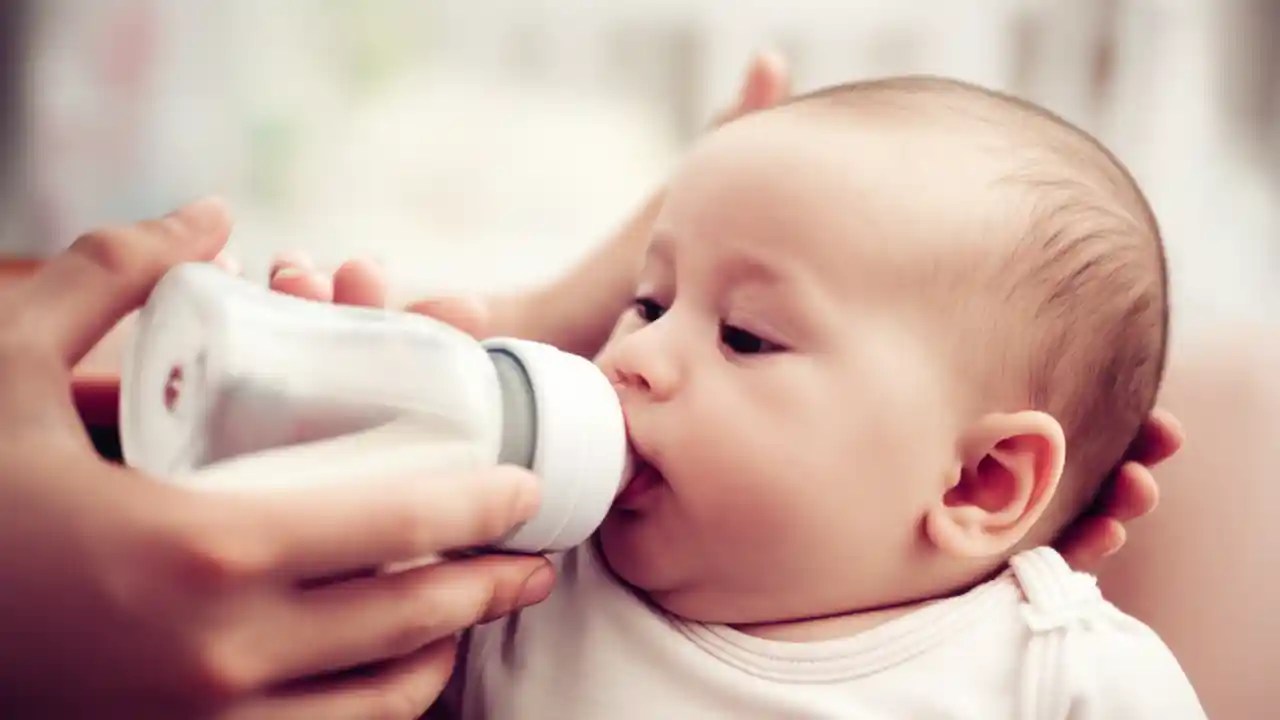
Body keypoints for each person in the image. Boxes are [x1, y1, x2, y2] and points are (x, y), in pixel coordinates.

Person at [0, 56, 1177, 718]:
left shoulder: (1059, 674)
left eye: (748, 338)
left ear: (976, 477)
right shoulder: (522, 585)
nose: (633, 358)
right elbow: (270, 634)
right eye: (649, 301)